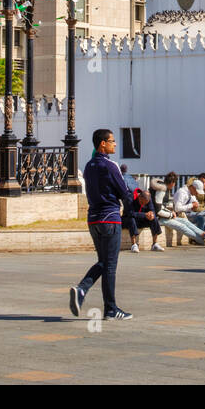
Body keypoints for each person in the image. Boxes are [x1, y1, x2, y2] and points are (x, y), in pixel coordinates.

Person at [70, 128, 134, 321]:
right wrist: (129, 212)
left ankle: (107, 307)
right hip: (110, 217)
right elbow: (125, 192)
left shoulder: (89, 166)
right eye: (112, 141)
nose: (115, 144)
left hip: (94, 219)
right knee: (110, 265)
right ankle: (103, 303)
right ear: (102, 144)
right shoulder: (110, 165)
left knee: (104, 262)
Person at [156, 174, 205, 246]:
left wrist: (170, 213)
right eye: (174, 183)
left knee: (184, 221)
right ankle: (203, 241)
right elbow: (160, 210)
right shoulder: (171, 192)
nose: (174, 186)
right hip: (160, 218)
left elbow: (161, 206)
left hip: (166, 216)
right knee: (182, 226)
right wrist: (170, 214)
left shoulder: (188, 193)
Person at [129, 187, 164, 252]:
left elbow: (152, 210)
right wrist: (145, 215)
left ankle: (155, 244)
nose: (143, 204)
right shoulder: (131, 198)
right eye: (142, 202)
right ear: (139, 197)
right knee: (131, 219)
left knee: (154, 219)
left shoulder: (148, 199)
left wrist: (151, 214)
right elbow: (130, 213)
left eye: (145, 203)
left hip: (142, 219)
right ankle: (134, 245)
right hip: (129, 220)